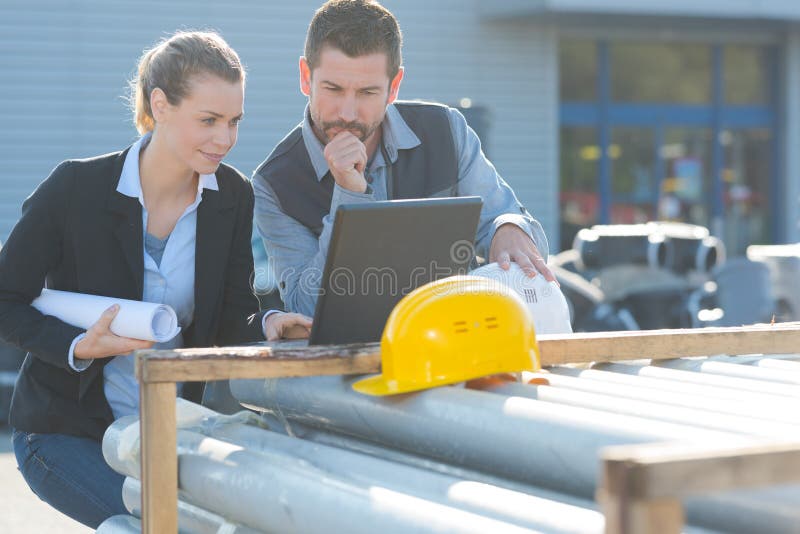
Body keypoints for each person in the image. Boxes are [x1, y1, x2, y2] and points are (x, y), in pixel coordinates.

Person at [0, 31, 310, 528]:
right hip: (63, 434)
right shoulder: (75, 189)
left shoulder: (232, 196)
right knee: (156, 526)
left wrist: (267, 324)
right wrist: (79, 345)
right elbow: (5, 299)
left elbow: (233, 317)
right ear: (160, 105)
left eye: (233, 121)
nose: (225, 139)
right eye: (208, 121)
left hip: (164, 434)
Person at [253, 0, 555, 317]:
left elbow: (516, 237)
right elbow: (306, 308)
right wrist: (349, 196)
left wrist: (508, 226)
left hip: (455, 346)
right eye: (333, 88)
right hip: (347, 362)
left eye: (368, 92)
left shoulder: (445, 132)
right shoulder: (275, 184)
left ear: (394, 86)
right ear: (305, 77)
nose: (347, 112)